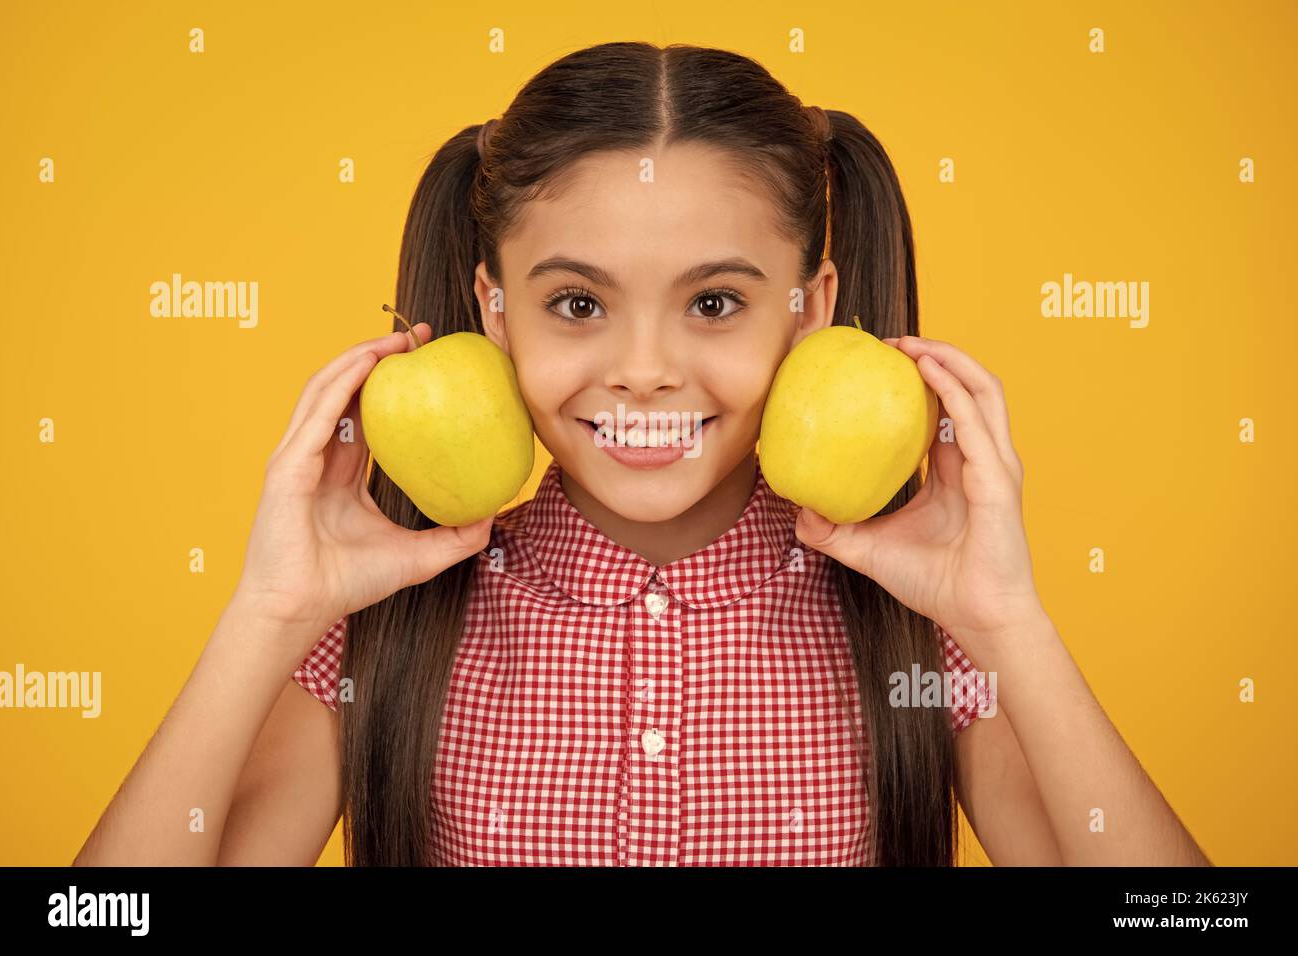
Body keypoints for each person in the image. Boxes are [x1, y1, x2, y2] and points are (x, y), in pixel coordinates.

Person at [74, 41, 1210, 867]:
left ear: (812, 308)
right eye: (577, 303)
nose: (645, 368)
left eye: (714, 300)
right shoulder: (387, 635)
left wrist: (1009, 619)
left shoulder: (920, 636)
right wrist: (267, 608)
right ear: (494, 307)